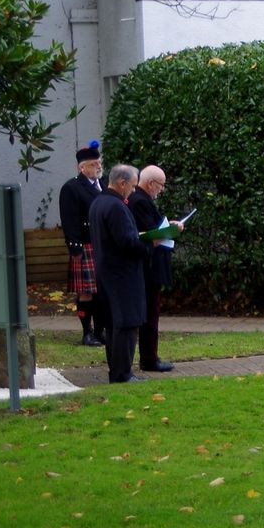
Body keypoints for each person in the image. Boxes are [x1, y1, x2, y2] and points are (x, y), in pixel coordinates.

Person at [88, 164, 149, 384]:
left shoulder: (99, 203)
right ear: (122, 183)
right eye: (132, 186)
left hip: (107, 271)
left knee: (114, 323)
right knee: (127, 323)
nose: (133, 191)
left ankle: (117, 371)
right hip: (122, 274)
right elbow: (127, 242)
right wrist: (151, 243)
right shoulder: (115, 206)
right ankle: (123, 374)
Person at [128, 165, 185, 373]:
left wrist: (168, 225)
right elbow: (149, 232)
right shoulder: (140, 201)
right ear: (151, 183)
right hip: (149, 267)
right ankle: (149, 358)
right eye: (161, 185)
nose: (162, 189)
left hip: (151, 265)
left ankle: (149, 357)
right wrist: (171, 230)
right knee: (150, 314)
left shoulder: (142, 200)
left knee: (151, 312)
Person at [58, 141, 110, 347]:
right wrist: (74, 247)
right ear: (82, 167)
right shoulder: (72, 188)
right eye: (94, 163)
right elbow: (69, 219)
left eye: (99, 162)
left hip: (103, 245)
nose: (99, 166)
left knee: (102, 291)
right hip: (85, 246)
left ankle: (100, 331)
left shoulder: (104, 184)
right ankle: (86, 332)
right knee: (87, 292)